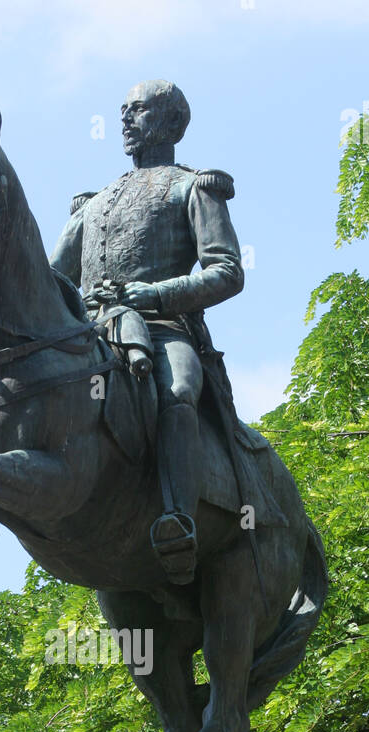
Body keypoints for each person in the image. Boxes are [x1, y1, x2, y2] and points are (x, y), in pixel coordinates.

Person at [50, 79, 244, 584]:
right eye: (122, 111)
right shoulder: (93, 205)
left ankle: (178, 518)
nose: (125, 120)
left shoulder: (194, 186)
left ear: (172, 122)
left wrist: (155, 295)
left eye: (137, 110)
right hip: (87, 333)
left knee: (178, 390)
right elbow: (52, 281)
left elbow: (226, 271)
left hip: (161, 328)